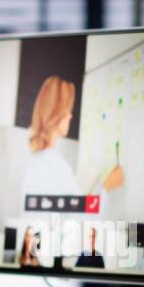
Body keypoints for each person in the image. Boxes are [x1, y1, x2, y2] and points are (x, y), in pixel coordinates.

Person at [21, 75, 123, 208]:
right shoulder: (55, 165)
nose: (70, 115)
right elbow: (79, 217)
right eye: (67, 110)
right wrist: (107, 187)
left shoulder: (35, 162)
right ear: (56, 114)